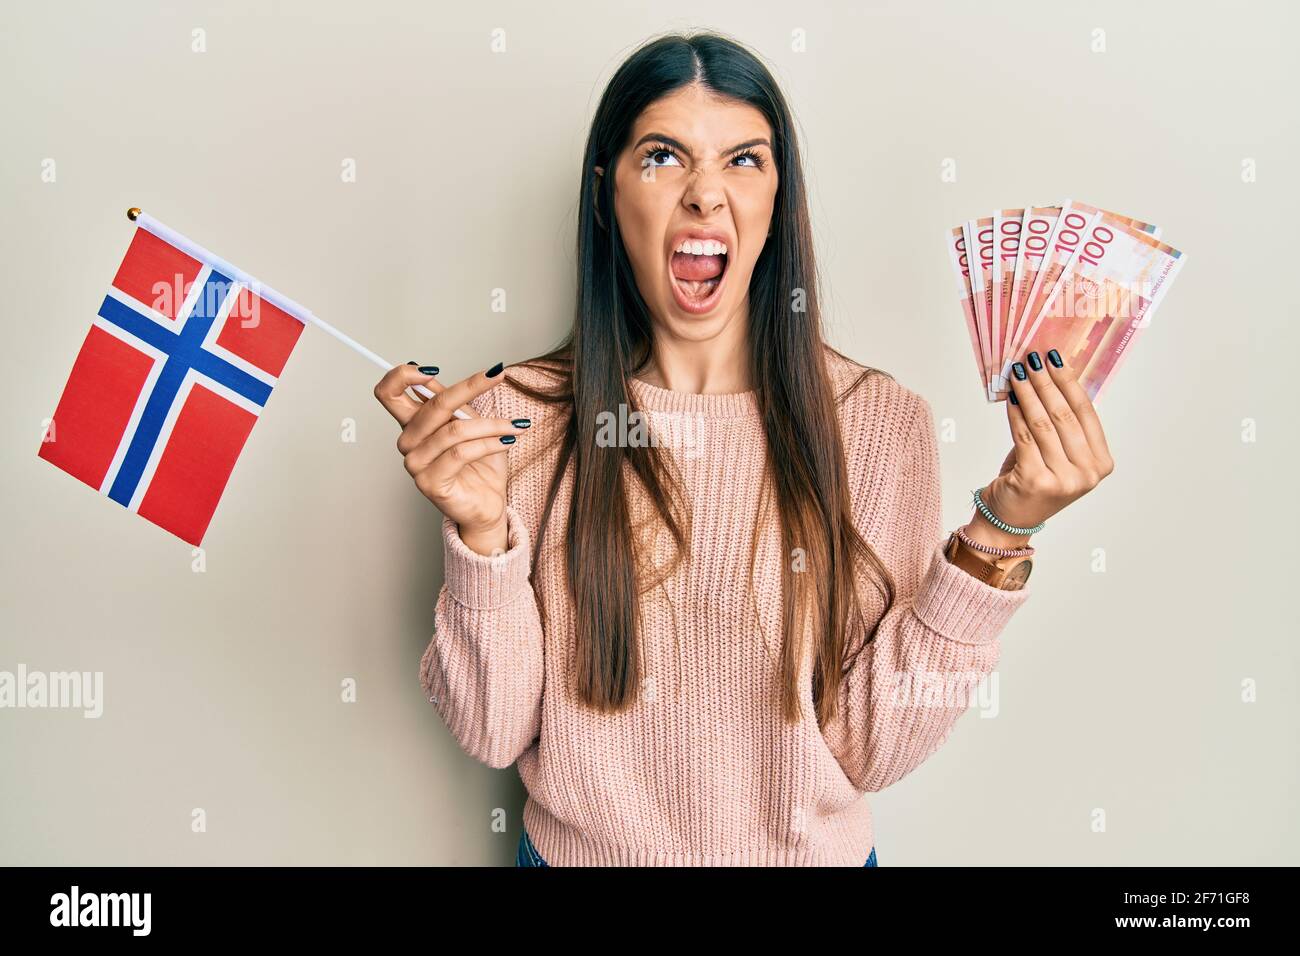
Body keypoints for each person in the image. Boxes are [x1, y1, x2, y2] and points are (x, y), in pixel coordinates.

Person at [373, 31, 1113, 867]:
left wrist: (1002, 531)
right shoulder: (519, 419)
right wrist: (481, 540)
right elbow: (492, 727)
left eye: (744, 161)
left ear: (776, 199)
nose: (705, 197)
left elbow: (876, 750)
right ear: (604, 194)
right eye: (661, 157)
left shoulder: (880, 425)